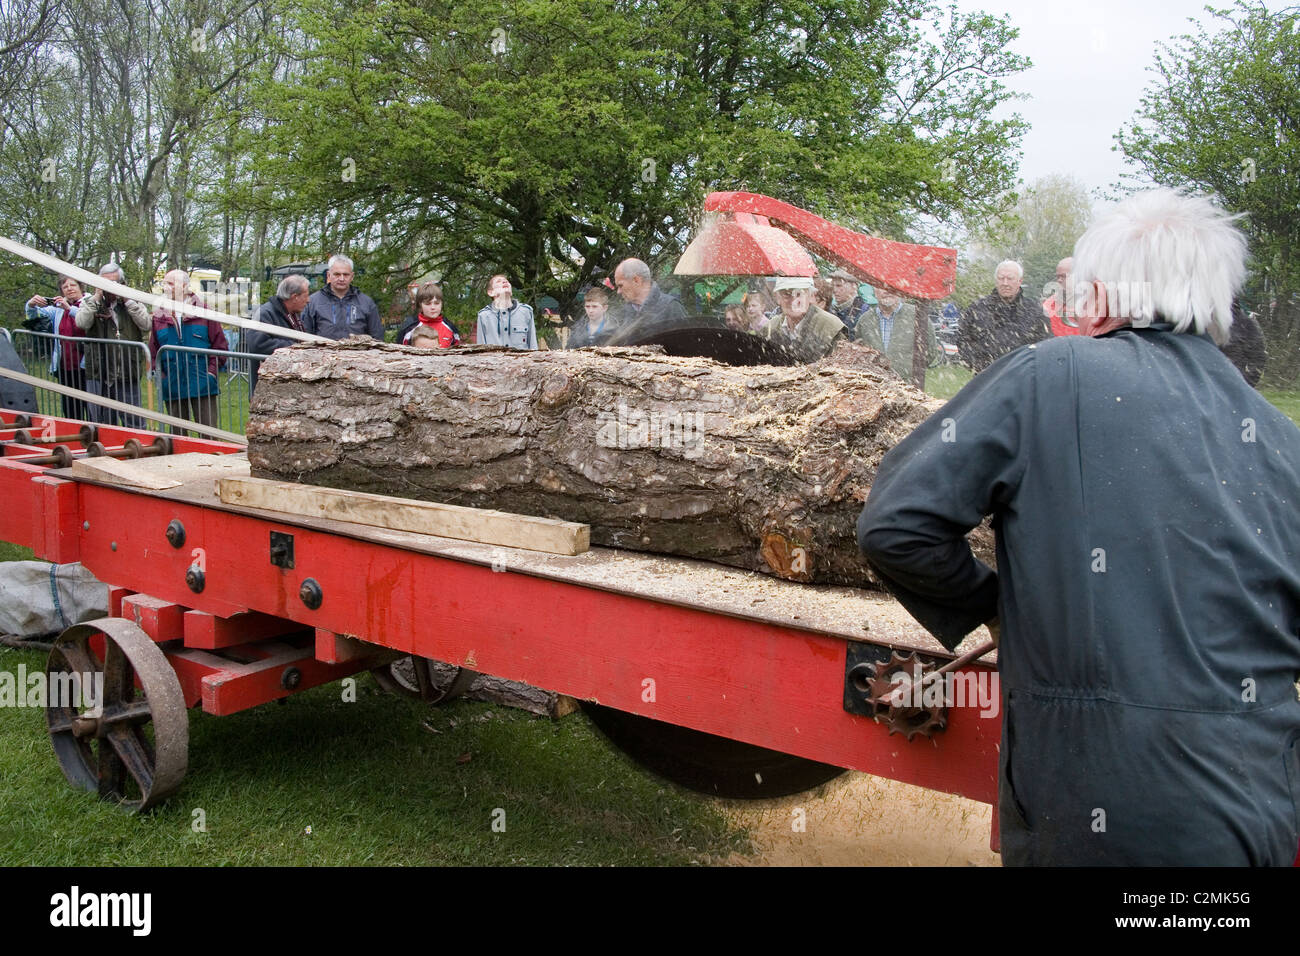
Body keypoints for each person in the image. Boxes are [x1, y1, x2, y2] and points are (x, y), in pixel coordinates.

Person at [857, 188, 1300, 866]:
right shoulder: (1278, 437)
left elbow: (895, 526)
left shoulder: (1048, 376)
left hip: (1098, 816)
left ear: (1101, 295)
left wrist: (994, 608)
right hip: (1257, 814)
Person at [148, 269, 230, 431]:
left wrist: (211, 374)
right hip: (172, 386)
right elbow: (153, 351)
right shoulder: (159, 317)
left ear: (185, 286)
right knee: (178, 438)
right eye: (164, 283)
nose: (165, 287)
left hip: (202, 385)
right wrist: (162, 377)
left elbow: (220, 346)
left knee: (209, 434)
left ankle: (211, 457)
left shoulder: (205, 313)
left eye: (170, 283)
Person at [74, 262, 151, 427]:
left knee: (134, 420)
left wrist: (127, 299)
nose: (109, 288)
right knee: (102, 422)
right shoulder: (90, 302)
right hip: (99, 372)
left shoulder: (133, 301)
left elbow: (146, 325)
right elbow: (81, 323)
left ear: (122, 283)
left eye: (113, 283)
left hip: (127, 370)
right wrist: (96, 298)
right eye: (105, 283)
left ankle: (137, 449)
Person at [957, 260, 1047, 373]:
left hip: (1022, 377)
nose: (1005, 283)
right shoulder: (977, 309)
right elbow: (962, 340)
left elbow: (1044, 345)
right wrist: (979, 366)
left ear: (1020, 281)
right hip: (986, 378)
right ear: (996, 280)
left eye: (1010, 279)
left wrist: (1027, 368)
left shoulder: (1034, 311)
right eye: (1001, 278)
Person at [25, 276, 89, 420]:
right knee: (70, 407)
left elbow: (86, 320)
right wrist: (31, 304)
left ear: (81, 287)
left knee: (91, 407)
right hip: (65, 366)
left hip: (86, 366)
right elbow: (35, 316)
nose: (69, 289)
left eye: (73, 285)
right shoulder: (58, 309)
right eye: (65, 287)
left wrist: (69, 308)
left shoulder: (89, 303)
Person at [854, 285, 937, 386]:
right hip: (873, 389)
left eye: (891, 285)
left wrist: (906, 370)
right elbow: (857, 352)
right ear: (874, 291)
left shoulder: (919, 317)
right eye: (881, 286)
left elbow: (930, 353)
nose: (887, 291)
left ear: (900, 289)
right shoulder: (865, 320)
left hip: (908, 389)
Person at [246, 274, 311, 395]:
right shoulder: (265, 313)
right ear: (295, 297)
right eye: (306, 295)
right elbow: (258, 345)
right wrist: (294, 347)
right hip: (267, 387)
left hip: (287, 385)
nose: (308, 300)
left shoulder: (294, 314)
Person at [755, 276, 845, 362]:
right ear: (778, 298)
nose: (794, 301)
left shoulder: (830, 327)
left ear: (811, 296)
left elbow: (842, 371)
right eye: (787, 294)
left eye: (799, 294)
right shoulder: (768, 329)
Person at [301, 254, 382, 341]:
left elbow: (377, 337)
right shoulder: (313, 302)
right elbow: (304, 336)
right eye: (337, 274)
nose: (341, 278)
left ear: (352, 276)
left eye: (346, 274)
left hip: (358, 354)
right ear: (328, 275)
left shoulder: (366, 303)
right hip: (323, 353)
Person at [607, 258, 687, 341]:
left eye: (620, 285)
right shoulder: (623, 313)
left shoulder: (671, 307)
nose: (618, 292)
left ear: (636, 280)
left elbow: (685, 345)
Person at [476, 274, 537, 349]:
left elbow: (533, 346)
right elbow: (480, 350)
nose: (505, 282)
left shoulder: (526, 311)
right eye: (499, 281)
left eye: (506, 281)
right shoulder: (483, 316)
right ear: (491, 292)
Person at [397, 283, 461, 348]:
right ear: (420, 305)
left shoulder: (450, 328)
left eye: (436, 303)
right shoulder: (409, 328)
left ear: (442, 304)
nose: (433, 307)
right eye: (428, 304)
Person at [1041, 256, 1079, 337]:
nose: (1059, 280)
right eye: (1058, 276)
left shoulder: (1095, 305)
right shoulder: (1047, 306)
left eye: (1064, 276)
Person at [827, 268, 869, 336]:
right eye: (832, 285)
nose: (834, 290)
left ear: (854, 286)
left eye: (839, 285)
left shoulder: (863, 311)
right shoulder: (832, 310)